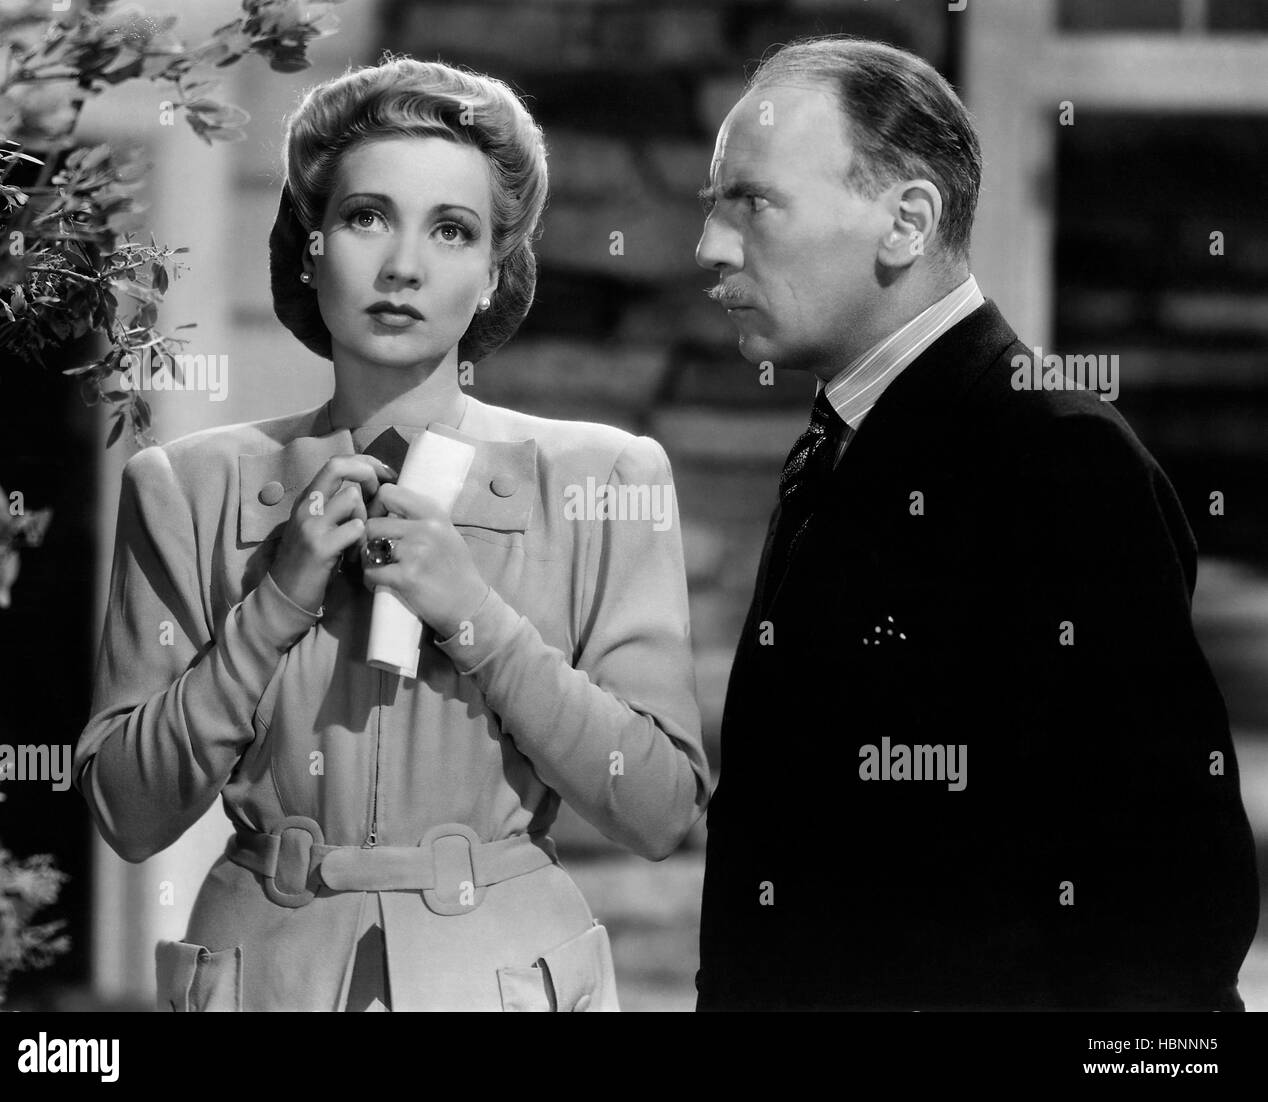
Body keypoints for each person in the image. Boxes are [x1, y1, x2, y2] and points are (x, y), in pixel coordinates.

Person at [74, 55, 709, 1012]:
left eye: (451, 231)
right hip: (259, 976)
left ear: (496, 273)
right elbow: (127, 810)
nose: (403, 264)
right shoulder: (184, 486)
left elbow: (660, 807)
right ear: (309, 246)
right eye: (367, 217)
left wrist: (477, 617)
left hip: (501, 979)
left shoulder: (605, 479)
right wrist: (276, 601)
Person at [693, 36, 1259, 1011]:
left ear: (906, 220)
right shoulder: (842, 438)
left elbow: (1173, 904)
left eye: (753, 201)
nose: (709, 244)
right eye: (715, 202)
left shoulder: (1059, 457)